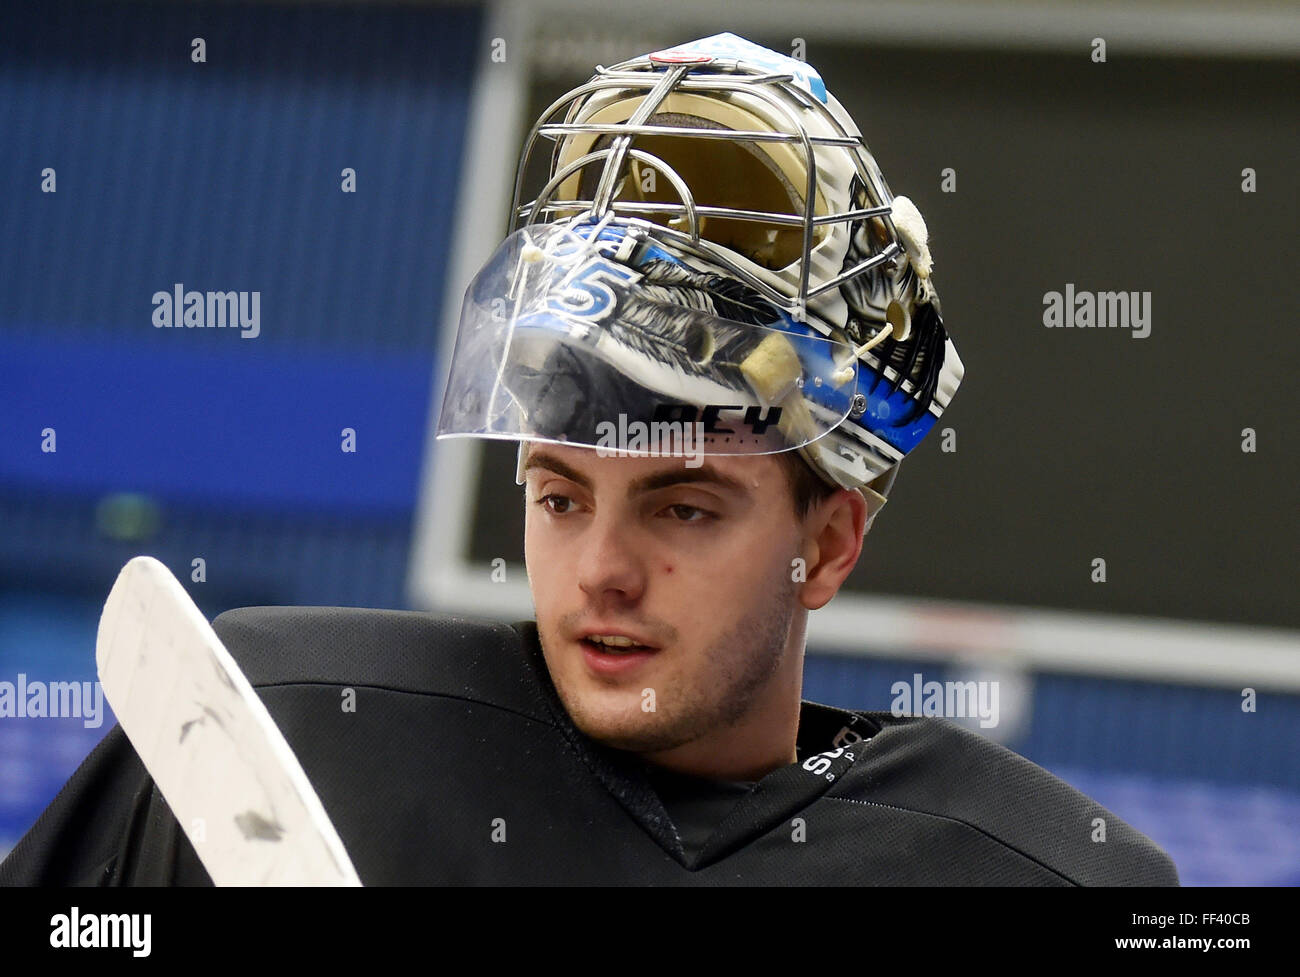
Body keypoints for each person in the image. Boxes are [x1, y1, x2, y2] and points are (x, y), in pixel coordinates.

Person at [0, 32, 1177, 885]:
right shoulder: (274, 721)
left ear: (826, 543)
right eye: (559, 494)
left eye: (681, 510)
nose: (598, 570)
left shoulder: (1051, 874)